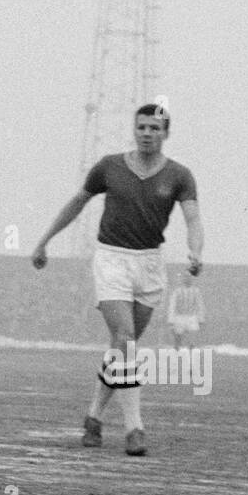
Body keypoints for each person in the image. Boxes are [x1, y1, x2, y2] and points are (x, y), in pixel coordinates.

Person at [32, 103, 204, 457]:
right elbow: (76, 204)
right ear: (134, 130)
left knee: (121, 348)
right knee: (126, 341)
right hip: (112, 259)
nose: (146, 133)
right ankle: (134, 428)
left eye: (154, 128)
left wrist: (195, 252)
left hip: (150, 264)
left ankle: (93, 416)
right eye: (141, 127)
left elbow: (193, 219)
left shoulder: (180, 175)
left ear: (165, 133)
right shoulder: (109, 167)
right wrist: (43, 241)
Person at [166, 271, 205, 347]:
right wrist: (171, 320)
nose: (187, 279)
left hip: (191, 317)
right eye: (186, 278)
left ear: (191, 279)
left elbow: (200, 305)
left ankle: (191, 349)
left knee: (192, 339)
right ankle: (177, 350)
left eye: (189, 278)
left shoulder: (196, 291)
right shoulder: (177, 291)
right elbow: (172, 305)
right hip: (179, 317)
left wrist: (201, 319)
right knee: (178, 339)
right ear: (183, 279)